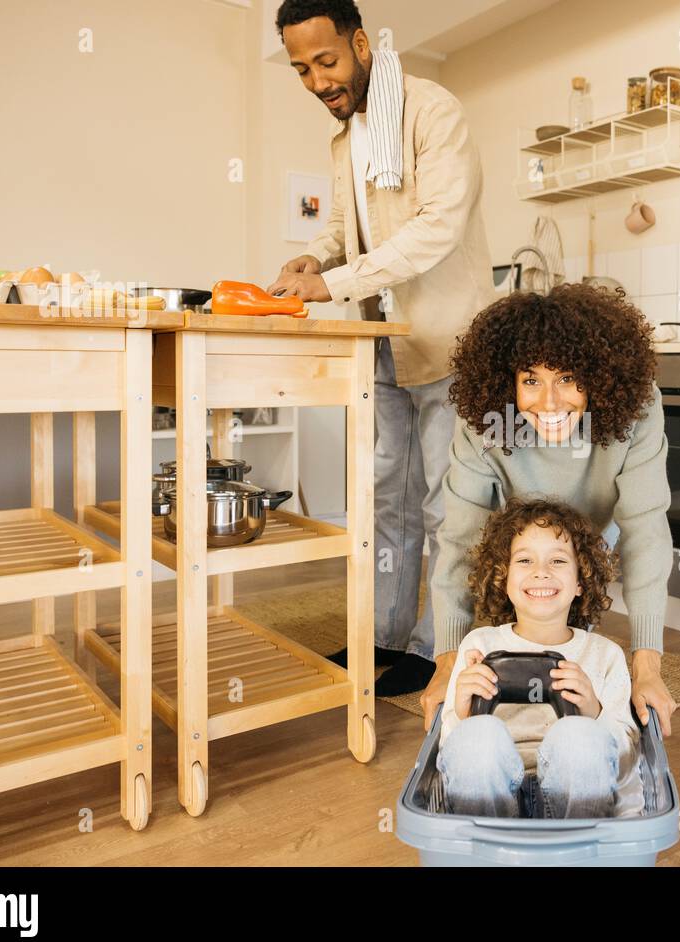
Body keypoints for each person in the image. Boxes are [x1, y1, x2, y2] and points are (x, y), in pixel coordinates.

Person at [268, 0, 495, 695]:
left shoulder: (432, 112)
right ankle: (384, 638)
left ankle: (440, 648)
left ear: (362, 44)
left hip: (450, 343)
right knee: (385, 498)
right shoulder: (347, 139)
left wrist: (332, 282)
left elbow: (438, 225)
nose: (317, 82)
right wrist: (314, 257)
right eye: (302, 69)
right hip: (384, 343)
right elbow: (345, 224)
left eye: (326, 61)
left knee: (449, 506)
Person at [422, 284, 679, 733]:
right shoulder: (484, 420)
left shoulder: (637, 408)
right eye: (531, 380)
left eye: (567, 378)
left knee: (575, 656)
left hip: (593, 536)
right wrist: (447, 661)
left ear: (598, 376)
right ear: (508, 382)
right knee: (512, 643)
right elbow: (460, 540)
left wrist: (646, 666)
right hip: (518, 536)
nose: (550, 402)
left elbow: (646, 531)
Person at [438, 498, 643, 818]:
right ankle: (489, 840)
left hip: (574, 803)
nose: (541, 572)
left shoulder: (605, 655)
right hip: (492, 798)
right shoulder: (479, 645)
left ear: (580, 581)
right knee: (477, 737)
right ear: (503, 577)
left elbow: (628, 759)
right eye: (524, 561)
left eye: (558, 561)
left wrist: (595, 712)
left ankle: (575, 841)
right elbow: (450, 753)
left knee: (578, 735)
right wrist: (463, 714)